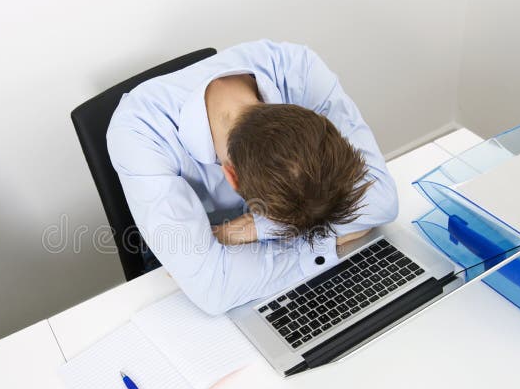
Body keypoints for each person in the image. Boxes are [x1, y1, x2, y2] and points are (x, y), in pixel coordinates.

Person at [107, 40, 398, 314]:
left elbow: (383, 201)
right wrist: (328, 243)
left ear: (314, 119)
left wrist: (247, 230)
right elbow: (213, 290)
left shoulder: (301, 69)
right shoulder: (137, 132)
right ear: (231, 177)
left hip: (227, 247)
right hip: (187, 266)